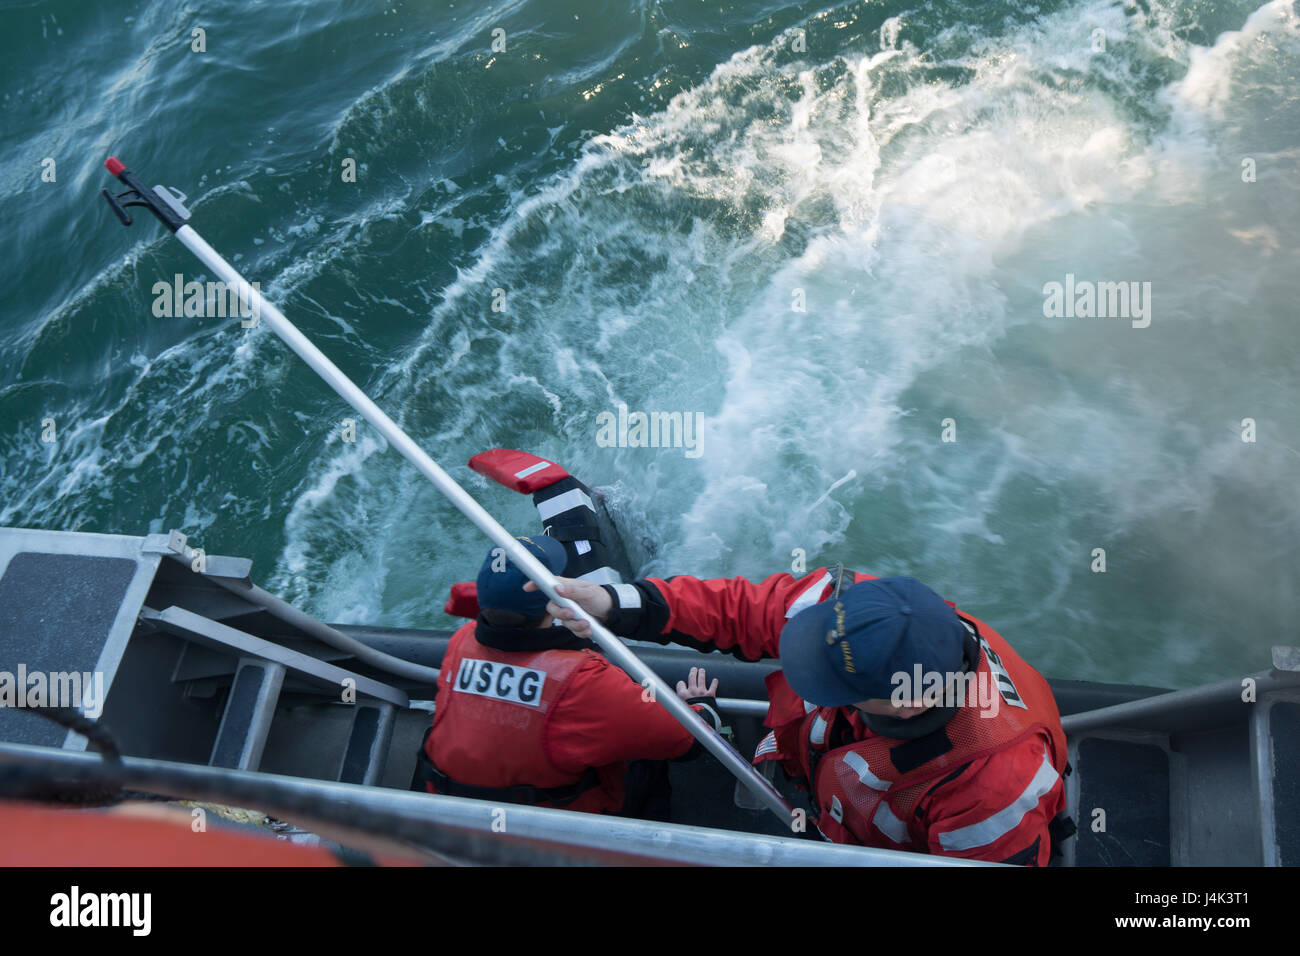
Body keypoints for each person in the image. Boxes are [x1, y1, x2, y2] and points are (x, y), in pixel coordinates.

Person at [537, 565, 1074, 864]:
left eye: (835, 683)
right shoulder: (862, 611)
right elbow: (744, 609)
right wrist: (614, 602)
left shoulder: (991, 792)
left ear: (907, 704)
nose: (808, 676)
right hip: (832, 798)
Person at [412, 534, 725, 819]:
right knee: (645, 759)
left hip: (451, 820)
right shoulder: (582, 681)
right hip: (547, 838)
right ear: (553, 603)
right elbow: (689, 740)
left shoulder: (462, 642)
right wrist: (702, 707)